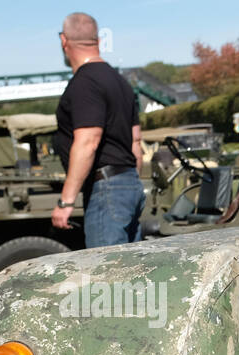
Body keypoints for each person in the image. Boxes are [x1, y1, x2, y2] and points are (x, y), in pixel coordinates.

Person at [50, 12, 144, 247]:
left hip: (107, 188)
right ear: (98, 41)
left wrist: (66, 202)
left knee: (107, 278)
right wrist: (129, 184)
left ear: (64, 41)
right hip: (130, 182)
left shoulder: (85, 83)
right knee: (132, 274)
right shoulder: (120, 82)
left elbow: (88, 141)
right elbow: (136, 142)